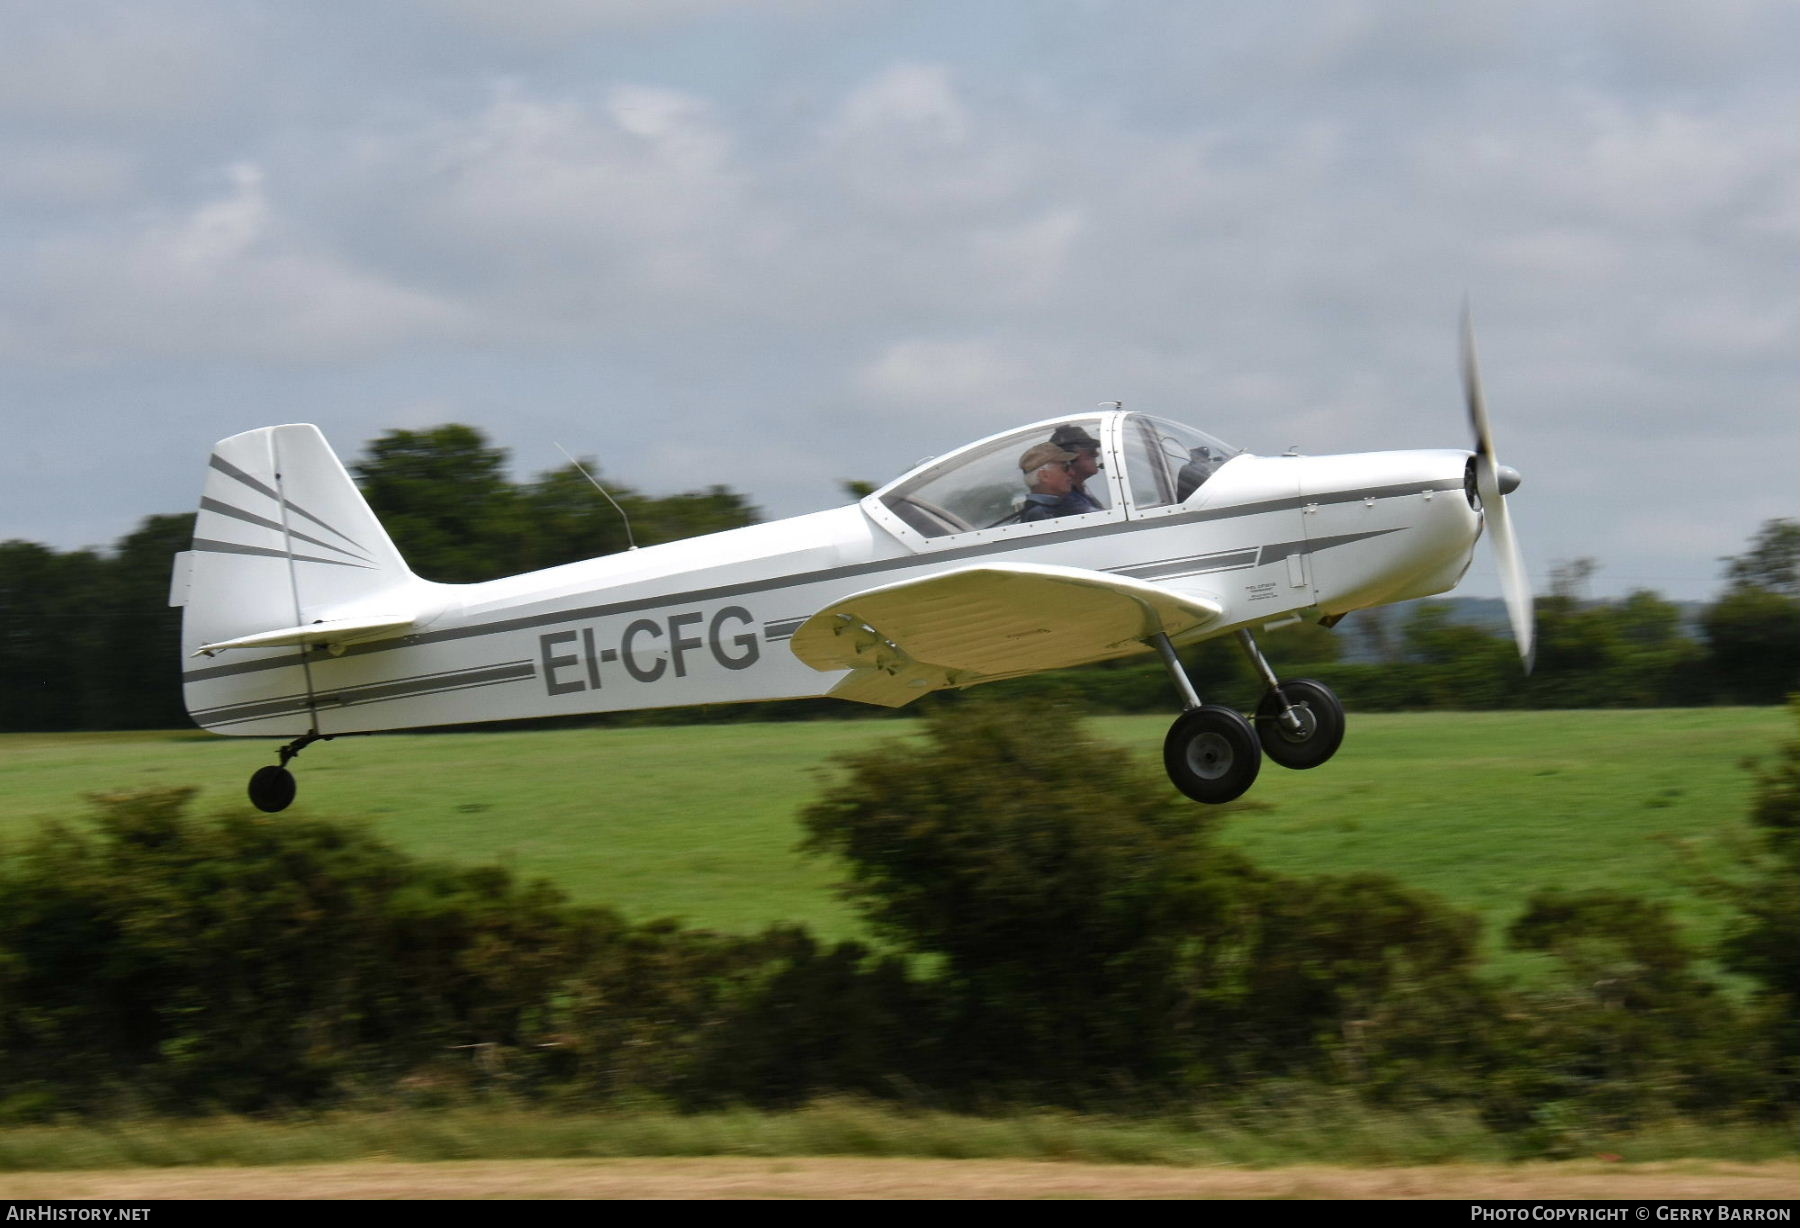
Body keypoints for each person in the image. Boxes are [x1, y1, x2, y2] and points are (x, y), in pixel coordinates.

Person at [1015, 442, 1088, 522]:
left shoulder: (1057, 506)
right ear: (1044, 476)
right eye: (1065, 468)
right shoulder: (1041, 514)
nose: (1072, 473)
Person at [1048, 423, 1105, 513]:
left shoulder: (1081, 494)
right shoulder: (1065, 500)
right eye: (1090, 450)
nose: (1096, 454)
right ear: (1069, 458)